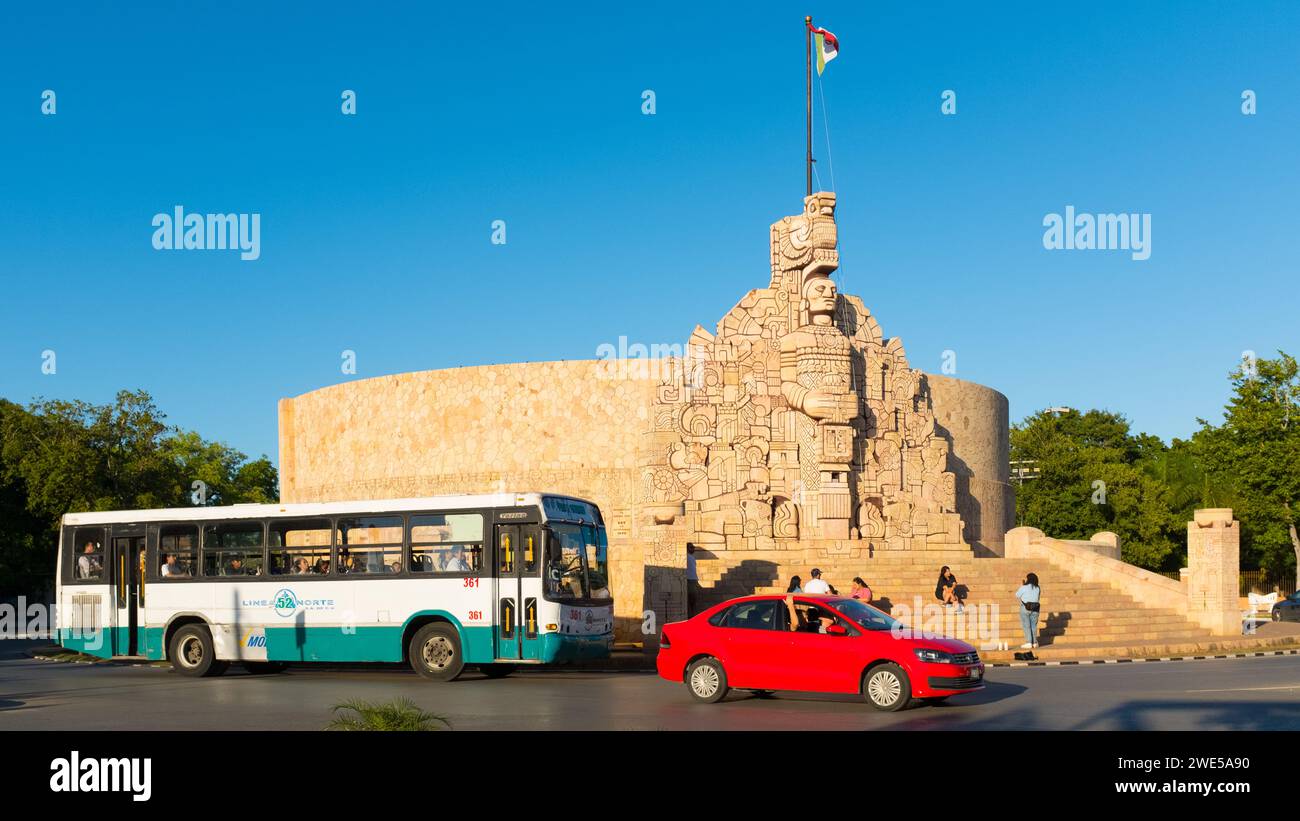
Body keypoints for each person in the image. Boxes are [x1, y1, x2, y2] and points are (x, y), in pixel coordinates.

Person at [1016, 572, 1042, 649]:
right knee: (1034, 626)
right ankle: (1034, 642)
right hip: (1035, 608)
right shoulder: (1038, 588)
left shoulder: (1024, 587)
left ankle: (1028, 642)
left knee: (1026, 625)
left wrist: (1022, 586)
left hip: (1025, 608)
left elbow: (1017, 595)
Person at [685, 543, 700, 617]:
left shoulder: (692, 557)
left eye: (693, 547)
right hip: (689, 580)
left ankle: (692, 616)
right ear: (687, 548)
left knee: (694, 600)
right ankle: (690, 616)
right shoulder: (686, 557)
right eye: (691, 547)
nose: (693, 549)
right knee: (691, 599)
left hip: (693, 580)